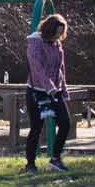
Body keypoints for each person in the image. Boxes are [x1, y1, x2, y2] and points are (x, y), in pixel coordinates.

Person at [24, 13, 71, 174]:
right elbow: (36, 67)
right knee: (36, 128)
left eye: (61, 33)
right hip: (37, 91)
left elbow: (60, 68)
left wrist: (62, 89)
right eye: (57, 33)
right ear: (49, 30)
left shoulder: (57, 43)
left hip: (55, 91)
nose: (59, 36)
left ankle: (55, 158)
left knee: (65, 123)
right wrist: (48, 86)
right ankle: (30, 164)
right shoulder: (35, 42)